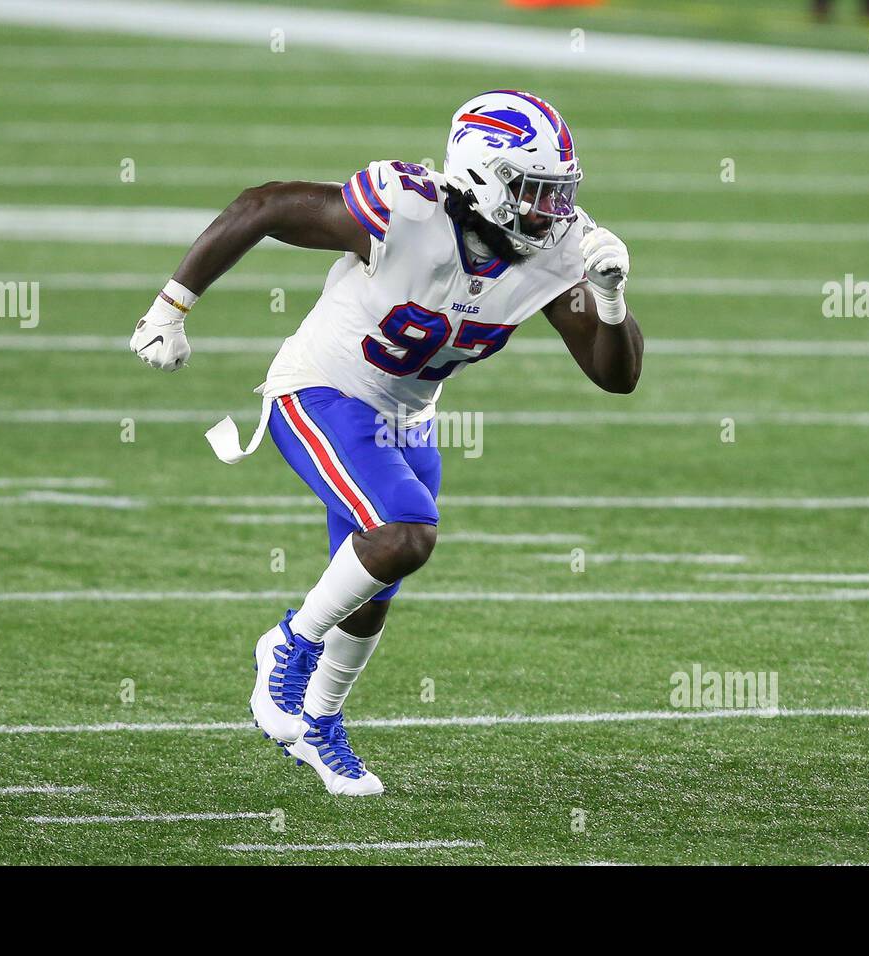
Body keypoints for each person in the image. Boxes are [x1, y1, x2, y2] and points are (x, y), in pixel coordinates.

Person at [129, 90, 643, 796]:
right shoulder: (407, 211)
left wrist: (610, 302)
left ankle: (320, 725)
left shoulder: (559, 250)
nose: (550, 210)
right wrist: (170, 308)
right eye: (534, 190)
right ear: (484, 179)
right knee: (405, 531)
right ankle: (288, 644)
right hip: (321, 389)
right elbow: (264, 205)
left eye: (559, 191)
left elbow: (616, 377)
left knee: (373, 585)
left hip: (407, 418)